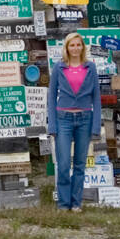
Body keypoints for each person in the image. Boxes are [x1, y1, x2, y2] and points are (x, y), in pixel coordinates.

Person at [46, 32, 101, 211]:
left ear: (82, 47)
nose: (75, 48)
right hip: (64, 119)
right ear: (67, 48)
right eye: (72, 45)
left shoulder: (90, 68)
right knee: (62, 164)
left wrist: (95, 126)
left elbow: (96, 98)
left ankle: (76, 203)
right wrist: (52, 125)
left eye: (78, 45)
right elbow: (51, 96)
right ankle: (63, 204)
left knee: (80, 163)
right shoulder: (59, 68)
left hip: (85, 118)